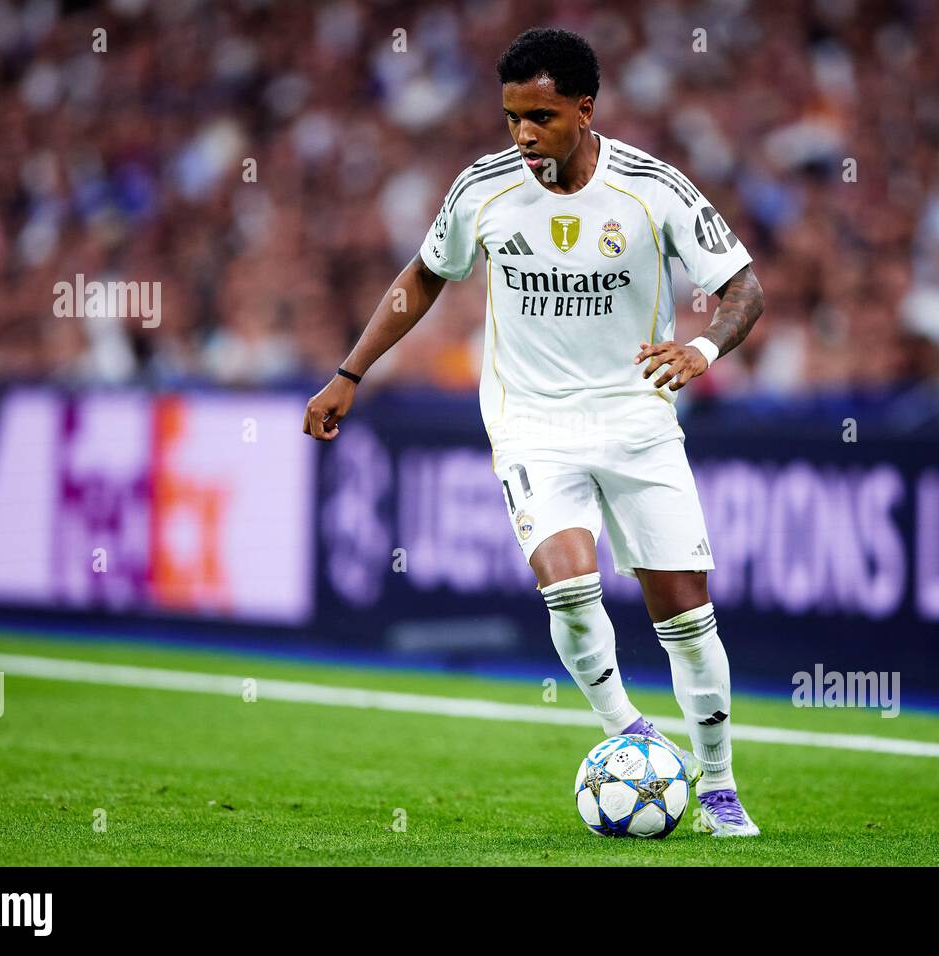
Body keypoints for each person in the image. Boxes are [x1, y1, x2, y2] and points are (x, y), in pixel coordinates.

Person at [303, 27, 765, 837]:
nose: (522, 134)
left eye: (542, 117)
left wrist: (699, 348)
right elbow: (423, 276)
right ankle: (630, 731)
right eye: (512, 116)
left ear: (585, 110)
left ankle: (721, 788)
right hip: (532, 424)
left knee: (686, 616)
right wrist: (350, 373)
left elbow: (743, 289)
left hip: (637, 419)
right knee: (567, 580)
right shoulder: (482, 187)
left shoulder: (651, 188)